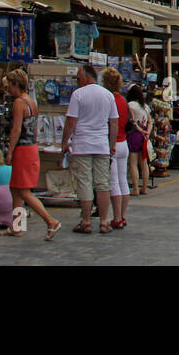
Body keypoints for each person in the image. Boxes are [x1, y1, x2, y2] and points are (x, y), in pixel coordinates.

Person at [61, 63, 118, 234]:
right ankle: (104, 221)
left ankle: (85, 221)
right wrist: (111, 144)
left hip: (82, 144)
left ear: (86, 76)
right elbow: (113, 122)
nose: (77, 81)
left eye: (79, 78)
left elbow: (71, 121)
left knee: (84, 182)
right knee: (102, 184)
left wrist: (64, 142)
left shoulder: (78, 94)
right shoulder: (108, 95)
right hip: (101, 145)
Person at [3, 69, 59, 240]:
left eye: (9, 86)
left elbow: (17, 129)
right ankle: (17, 225)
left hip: (22, 150)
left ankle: (50, 221)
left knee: (24, 191)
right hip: (31, 148)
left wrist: (9, 151)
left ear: (15, 84)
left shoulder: (18, 103)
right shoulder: (31, 102)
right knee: (16, 189)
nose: (8, 90)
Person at [101, 67, 131, 230]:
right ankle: (122, 215)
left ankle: (117, 217)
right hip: (123, 143)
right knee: (122, 180)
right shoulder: (123, 100)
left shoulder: (108, 99)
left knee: (113, 182)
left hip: (111, 143)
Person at [126, 84, 152, 196]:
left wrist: (140, 130)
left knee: (133, 162)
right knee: (144, 162)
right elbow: (150, 121)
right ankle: (145, 187)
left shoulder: (130, 105)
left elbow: (132, 121)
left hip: (134, 134)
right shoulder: (145, 106)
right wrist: (147, 133)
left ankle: (135, 188)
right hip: (145, 135)